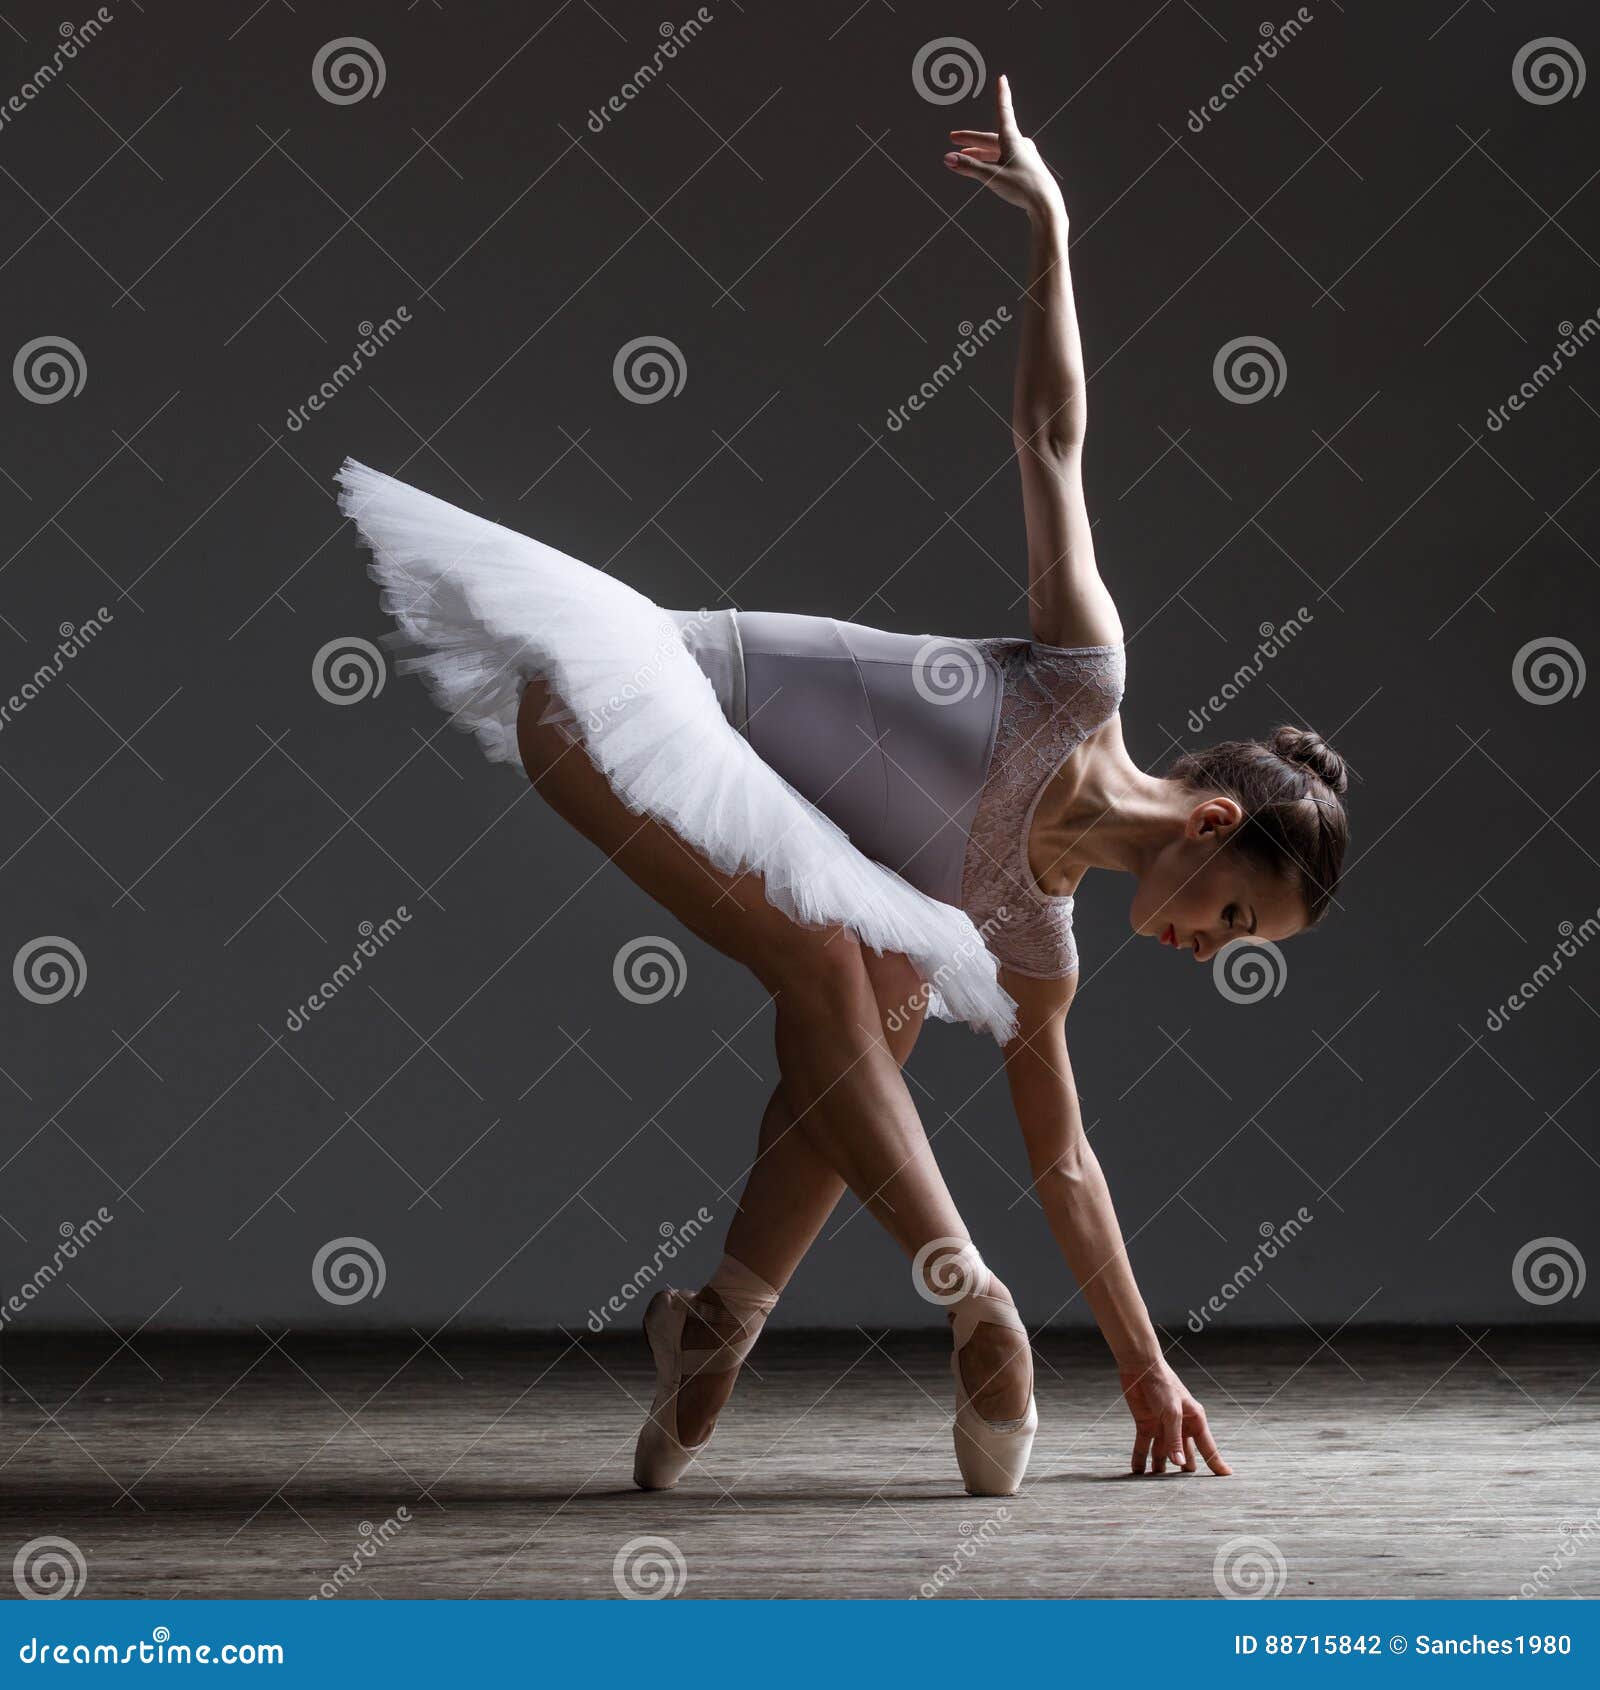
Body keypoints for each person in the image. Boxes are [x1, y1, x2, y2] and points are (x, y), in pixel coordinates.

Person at [338, 75, 1348, 1497]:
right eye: (1238, 917)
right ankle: (969, 1299)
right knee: (843, 959)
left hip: (752, 818)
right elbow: (1051, 443)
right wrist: (1053, 232)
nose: (1212, 951)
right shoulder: (1080, 678)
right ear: (1210, 823)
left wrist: (1142, 1362)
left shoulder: (1037, 953)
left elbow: (1069, 1164)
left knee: (876, 992)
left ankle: (715, 1321)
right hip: (626, 693)